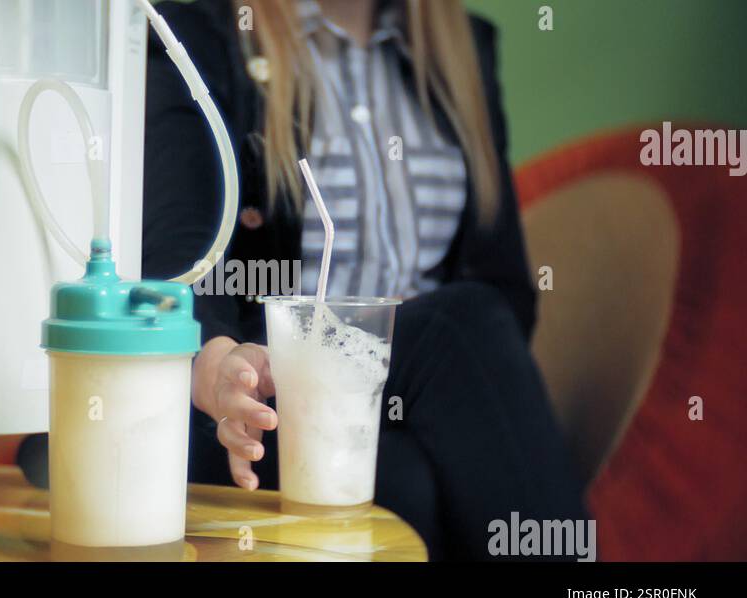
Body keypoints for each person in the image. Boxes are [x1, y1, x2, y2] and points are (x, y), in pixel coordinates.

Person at [142, 0, 587, 560]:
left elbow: (506, 285)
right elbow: (180, 268)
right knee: (414, 443)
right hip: (260, 399)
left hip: (423, 393)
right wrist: (215, 363)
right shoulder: (200, 36)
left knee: (409, 460)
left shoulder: (464, 48)